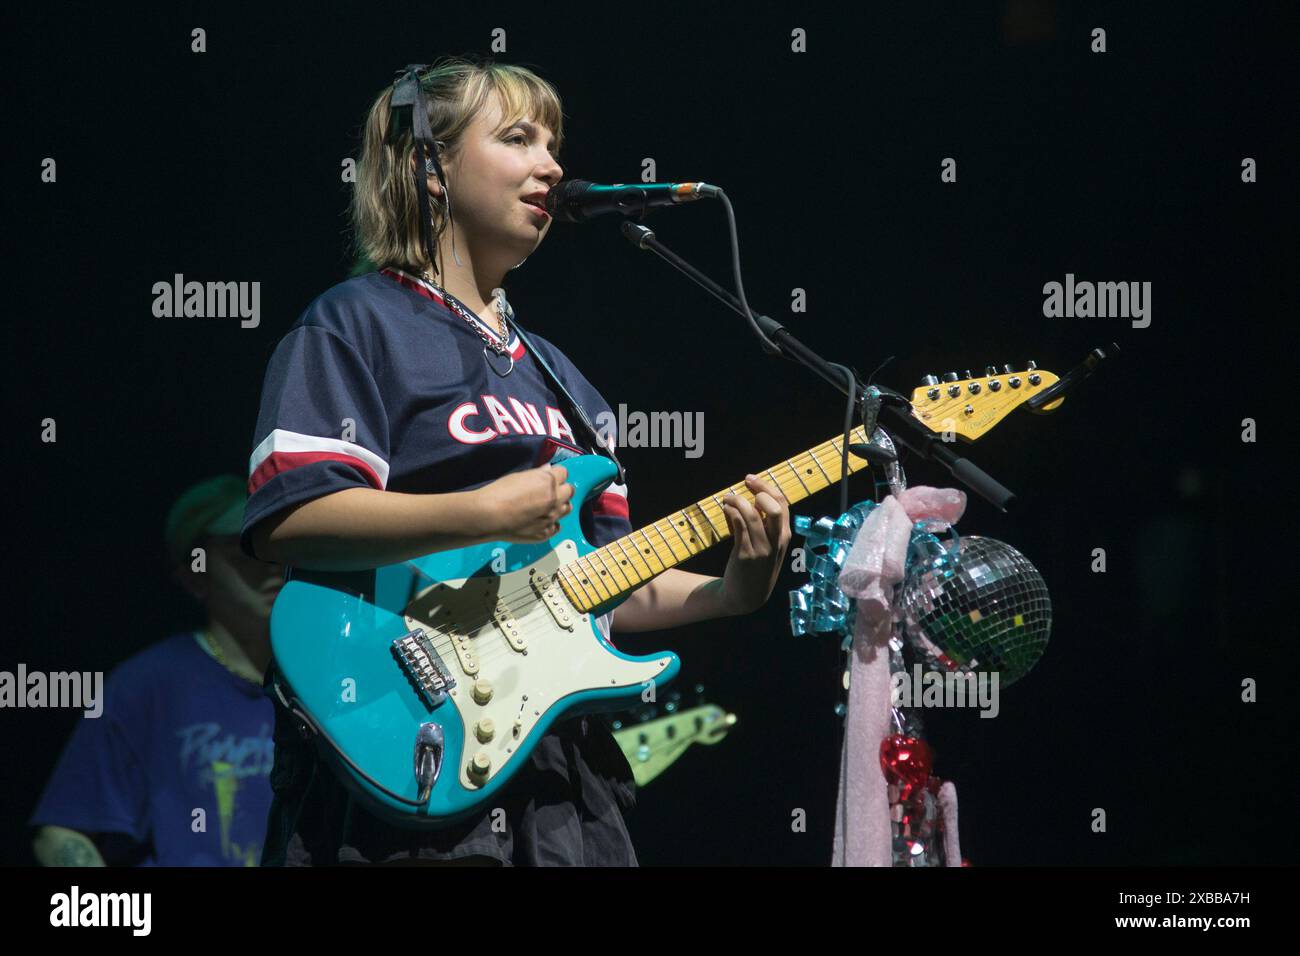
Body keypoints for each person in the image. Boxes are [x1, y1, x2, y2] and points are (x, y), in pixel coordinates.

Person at [241, 55, 791, 866]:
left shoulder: (567, 382)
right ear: (430, 166)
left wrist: (729, 590)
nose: (554, 165)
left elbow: (603, 582)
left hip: (561, 784)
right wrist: (481, 511)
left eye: (554, 143)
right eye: (519, 138)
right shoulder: (355, 324)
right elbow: (293, 517)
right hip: (405, 744)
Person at [30, 475, 280, 866]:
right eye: (241, 550)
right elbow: (60, 832)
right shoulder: (145, 684)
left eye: (272, 546)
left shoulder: (321, 682)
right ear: (193, 575)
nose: (267, 564)